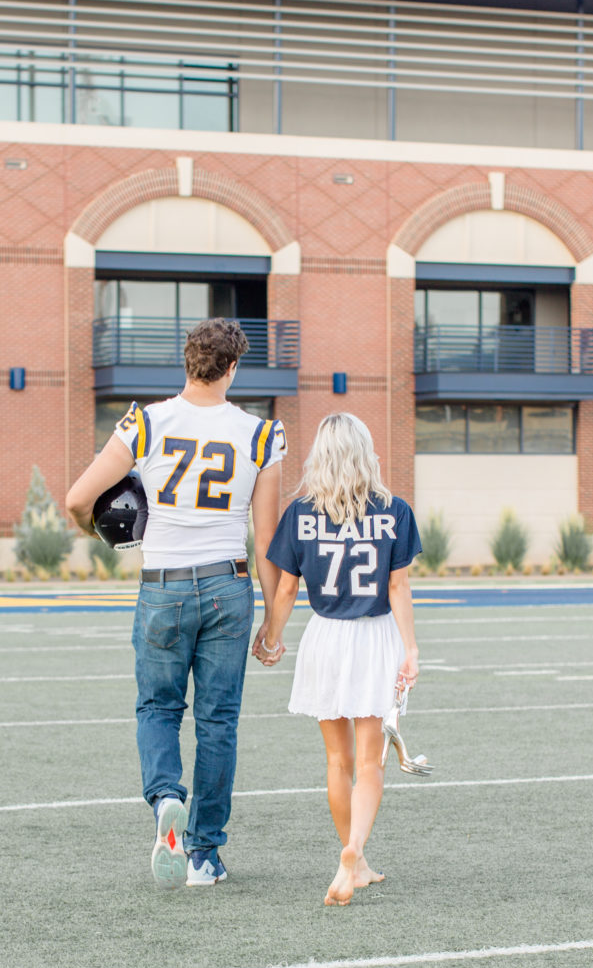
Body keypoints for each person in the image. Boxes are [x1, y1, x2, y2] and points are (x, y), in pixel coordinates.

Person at [65, 318, 285, 889]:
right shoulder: (261, 434)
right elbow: (267, 539)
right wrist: (274, 620)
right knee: (218, 722)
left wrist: (102, 534)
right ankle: (203, 855)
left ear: (187, 363)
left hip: (163, 583)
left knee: (159, 709)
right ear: (232, 368)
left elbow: (77, 500)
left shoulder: (146, 422)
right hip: (227, 584)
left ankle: (166, 795)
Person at [256, 412, 421, 906]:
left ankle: (353, 854)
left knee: (337, 760)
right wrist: (411, 648)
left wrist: (271, 637)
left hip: (324, 637)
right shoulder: (395, 510)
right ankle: (355, 852)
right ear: (365, 452)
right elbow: (397, 587)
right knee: (371, 762)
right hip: (374, 637)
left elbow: (287, 589)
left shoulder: (300, 513)